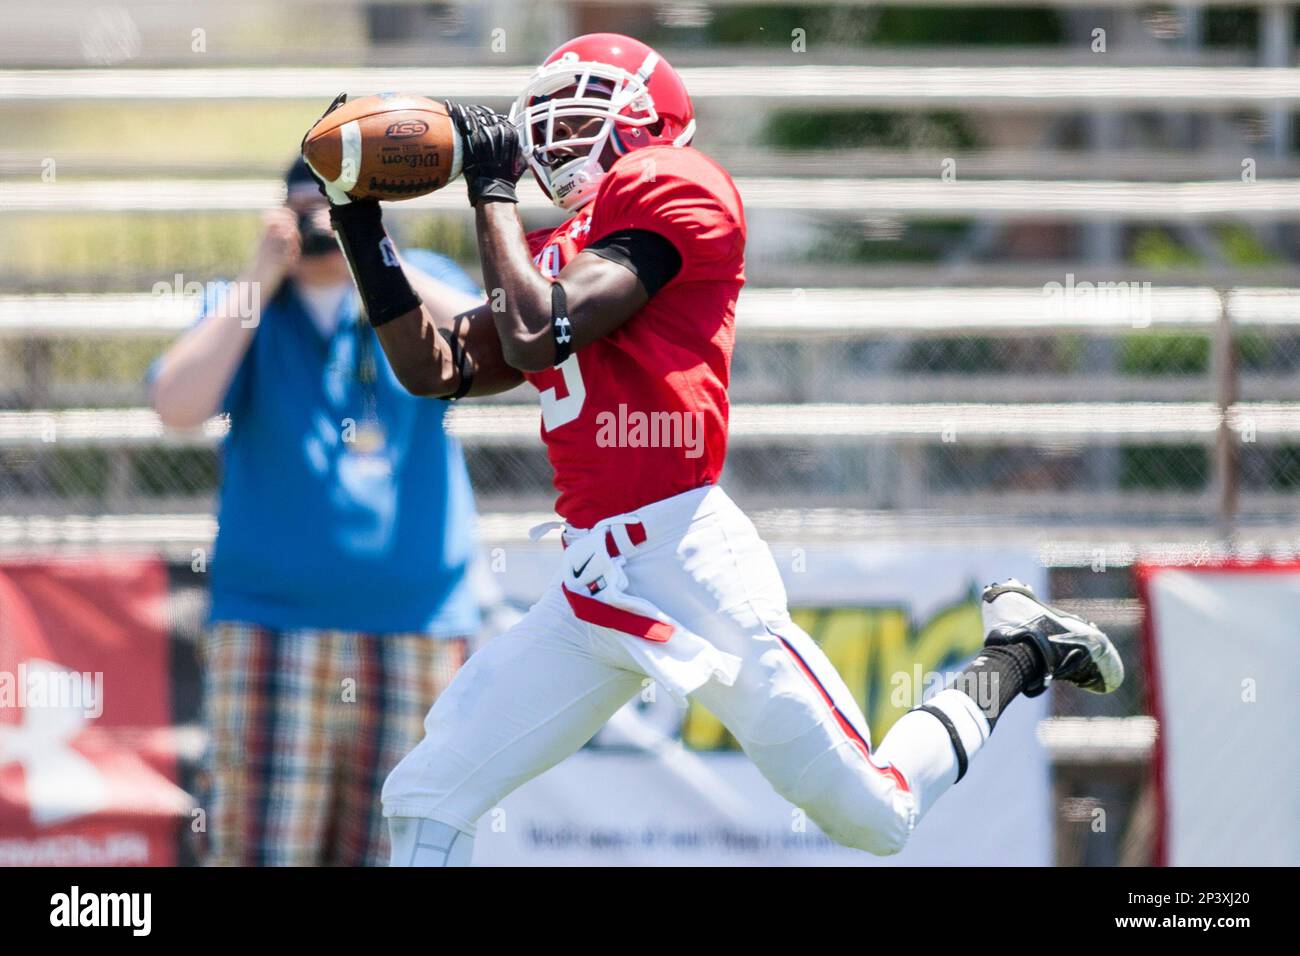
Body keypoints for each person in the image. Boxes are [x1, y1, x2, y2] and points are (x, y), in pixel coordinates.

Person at [303, 32, 1124, 867]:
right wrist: (357, 221)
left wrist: (490, 189)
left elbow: (536, 332)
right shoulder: (560, 248)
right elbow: (435, 368)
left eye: (576, 115)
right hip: (592, 582)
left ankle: (1019, 648)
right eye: (541, 121)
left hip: (687, 557)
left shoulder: (677, 183)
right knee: (426, 791)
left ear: (644, 115)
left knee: (877, 814)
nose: (551, 137)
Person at [148, 157, 484, 866]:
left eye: (338, 210)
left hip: (418, 622)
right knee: (263, 848)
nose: (323, 227)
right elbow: (177, 406)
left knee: (404, 849)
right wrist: (259, 275)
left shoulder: (416, 280)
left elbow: (497, 347)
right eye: (309, 211)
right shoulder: (251, 303)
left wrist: (376, 262)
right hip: (271, 623)